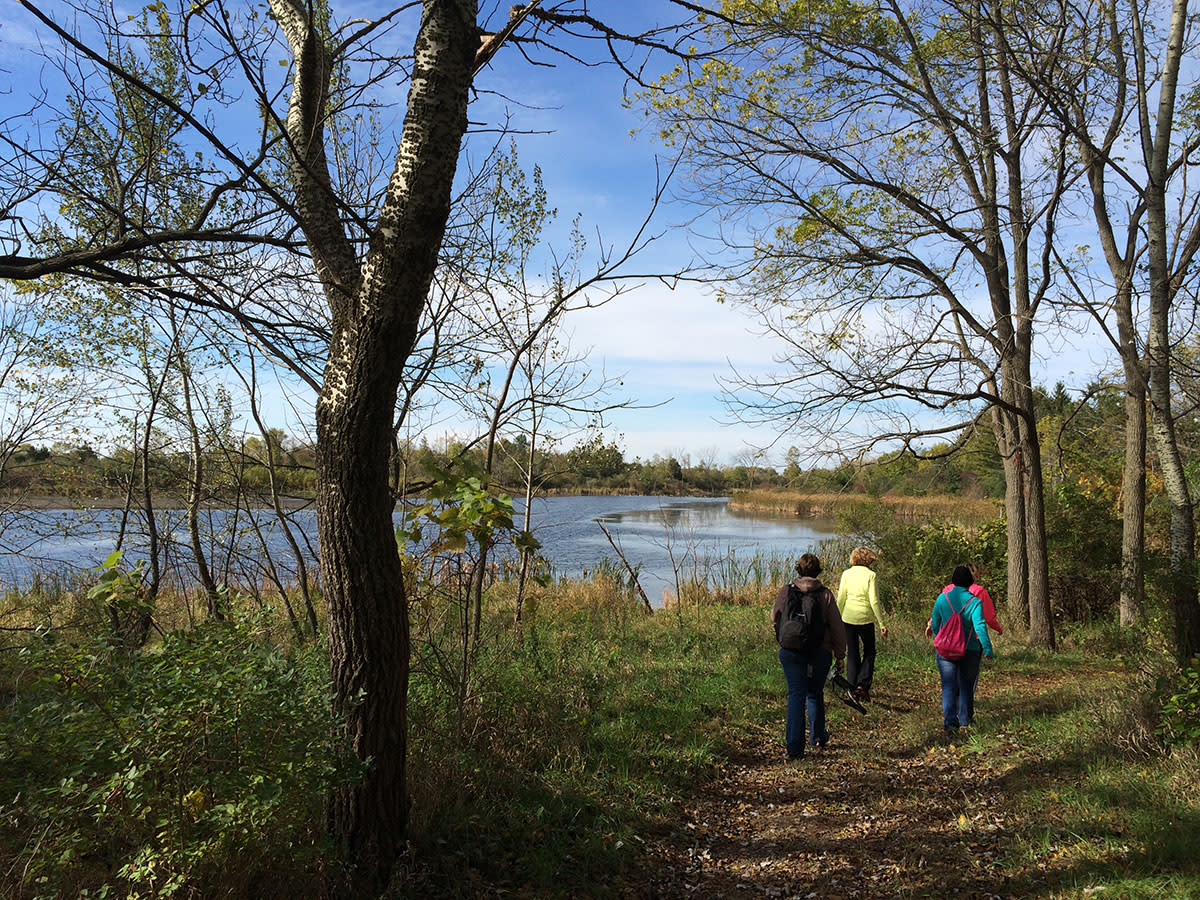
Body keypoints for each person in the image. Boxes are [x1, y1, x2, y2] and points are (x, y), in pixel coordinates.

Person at [772, 553, 848, 759]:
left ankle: (794, 749)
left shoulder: (787, 591)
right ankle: (817, 737)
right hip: (820, 651)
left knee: (796, 694)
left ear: (798, 570)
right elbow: (837, 627)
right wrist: (840, 655)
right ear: (818, 572)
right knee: (814, 692)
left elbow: (774, 615)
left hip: (791, 651)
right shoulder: (826, 595)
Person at [930, 565, 995, 735]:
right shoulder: (975, 602)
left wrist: (941, 637)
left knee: (948, 686)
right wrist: (987, 649)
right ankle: (965, 719)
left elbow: (935, 623)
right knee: (966, 686)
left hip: (945, 651)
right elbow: (980, 627)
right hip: (970, 650)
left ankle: (950, 723)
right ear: (970, 582)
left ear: (953, 581)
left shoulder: (942, 599)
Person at [835, 546, 888, 702]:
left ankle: (851, 687)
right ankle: (862, 685)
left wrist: (836, 619)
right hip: (865, 619)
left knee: (852, 652)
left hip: (848, 618)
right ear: (869, 559)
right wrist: (881, 623)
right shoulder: (871, 575)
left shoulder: (846, 574)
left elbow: (841, 598)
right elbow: (874, 601)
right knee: (870, 651)